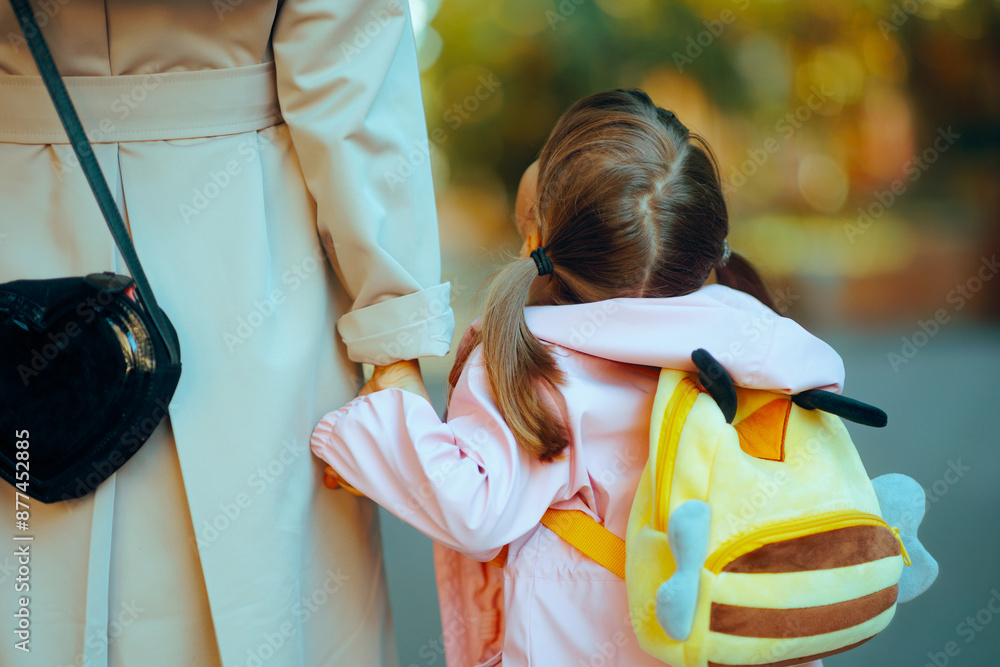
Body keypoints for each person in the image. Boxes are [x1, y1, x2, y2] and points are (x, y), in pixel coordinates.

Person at [311, 89, 838, 666]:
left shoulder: (540, 367)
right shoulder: (764, 344)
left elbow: (476, 508)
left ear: (536, 242)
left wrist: (392, 400)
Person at [0, 1, 452, 665]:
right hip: (245, 241)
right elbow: (344, 73)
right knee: (260, 600)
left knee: (26, 595)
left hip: (18, 229)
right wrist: (394, 343)